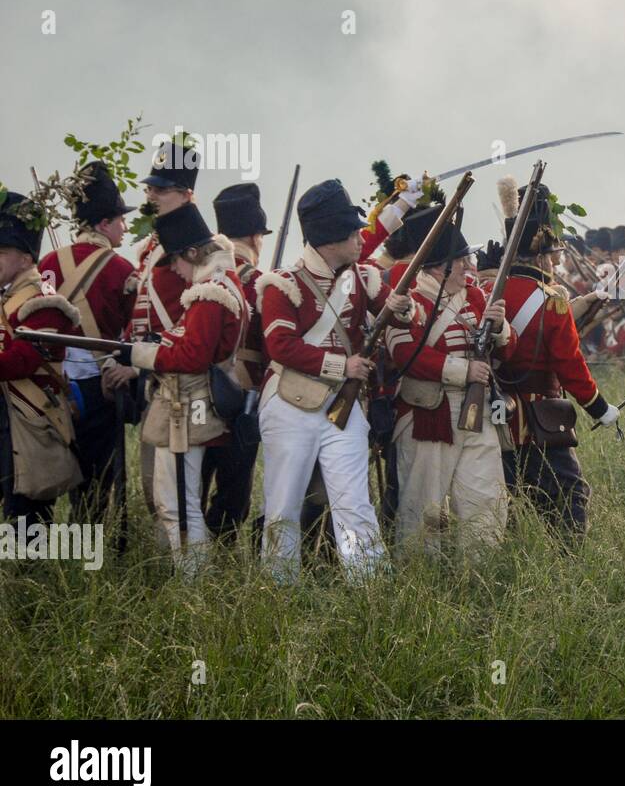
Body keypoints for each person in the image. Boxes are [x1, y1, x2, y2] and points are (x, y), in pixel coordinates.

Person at [255, 179, 412, 581]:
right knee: (283, 506)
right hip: (290, 404)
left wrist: (402, 308)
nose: (362, 238)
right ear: (329, 237)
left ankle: (370, 587)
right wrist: (342, 367)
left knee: (354, 503)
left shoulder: (364, 278)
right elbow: (281, 347)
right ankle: (280, 590)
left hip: (342, 409)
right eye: (353, 232)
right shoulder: (282, 284)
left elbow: (396, 314)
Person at [113, 204, 249, 572]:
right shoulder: (220, 282)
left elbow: (192, 356)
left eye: (175, 260)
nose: (173, 269)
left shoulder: (209, 292)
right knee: (179, 502)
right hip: (194, 401)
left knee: (179, 506)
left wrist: (138, 353)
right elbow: (188, 342)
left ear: (191, 252)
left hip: (189, 403)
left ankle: (194, 585)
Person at [382, 212, 516, 558]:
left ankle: (480, 575)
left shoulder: (474, 297)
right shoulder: (410, 302)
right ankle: (420, 580)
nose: (468, 267)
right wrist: (463, 371)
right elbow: (405, 354)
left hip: (478, 410)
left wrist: (500, 327)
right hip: (429, 412)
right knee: (423, 506)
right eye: (461, 262)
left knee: (485, 499)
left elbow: (508, 347)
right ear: (440, 268)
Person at [494, 181, 619, 540]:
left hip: (499, 422)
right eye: (552, 255)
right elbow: (570, 366)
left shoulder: (490, 292)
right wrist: (599, 408)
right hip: (539, 423)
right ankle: (570, 565)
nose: (554, 262)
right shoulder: (552, 301)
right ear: (541, 257)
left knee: (510, 501)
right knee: (570, 498)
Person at [38, 162, 136, 534]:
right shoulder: (123, 270)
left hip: (51, 385)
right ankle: (87, 551)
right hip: (100, 386)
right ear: (102, 223)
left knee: (46, 471)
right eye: (119, 220)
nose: (124, 228)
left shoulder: (47, 263)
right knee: (97, 482)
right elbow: (129, 335)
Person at [0, 191, 80, 525]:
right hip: (5, 419)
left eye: (1, 252)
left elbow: (20, 362)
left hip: (28, 421)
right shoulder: (8, 297)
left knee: (27, 513)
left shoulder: (45, 303)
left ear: (26, 258)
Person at [200, 183, 270, 541]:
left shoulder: (201, 273)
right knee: (234, 491)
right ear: (257, 237)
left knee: (193, 483)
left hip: (199, 391)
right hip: (241, 397)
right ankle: (223, 552)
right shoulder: (260, 281)